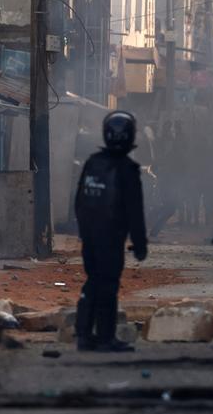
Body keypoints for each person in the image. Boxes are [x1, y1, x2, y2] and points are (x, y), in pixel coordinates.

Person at [74, 111, 148, 352]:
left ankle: (84, 335)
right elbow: (134, 211)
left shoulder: (92, 162)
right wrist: (140, 244)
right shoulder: (128, 169)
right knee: (107, 286)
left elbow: (79, 202)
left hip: (91, 237)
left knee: (92, 282)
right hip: (111, 238)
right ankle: (106, 337)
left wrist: (85, 232)